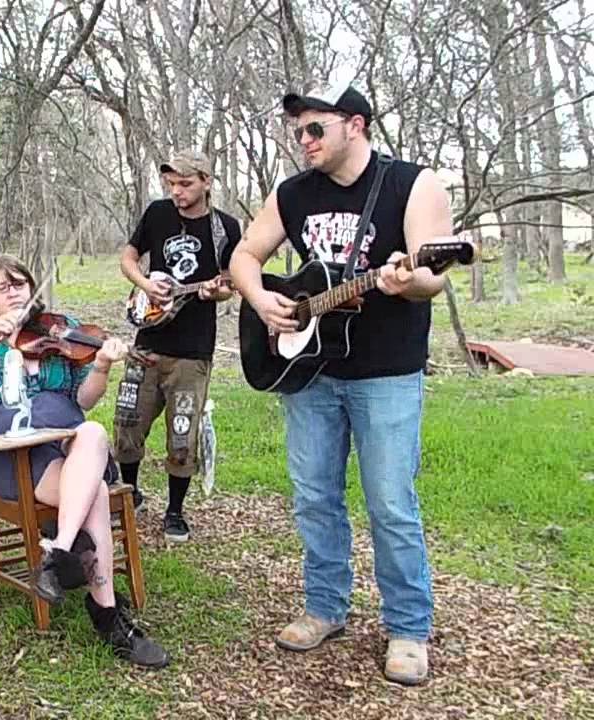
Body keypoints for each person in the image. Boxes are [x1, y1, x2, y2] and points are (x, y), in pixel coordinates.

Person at [228, 84, 450, 685]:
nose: (303, 141)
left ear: (354, 124)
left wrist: (411, 281)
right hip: (310, 372)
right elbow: (245, 256)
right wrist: (262, 300)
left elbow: (431, 277)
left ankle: (407, 628)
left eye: (314, 129)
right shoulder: (293, 193)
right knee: (314, 496)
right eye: (297, 131)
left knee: (390, 503)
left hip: (386, 372)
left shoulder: (413, 183)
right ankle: (325, 607)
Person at [0, 254, 169, 668]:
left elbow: (83, 401)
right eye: (1, 287)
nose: (13, 292)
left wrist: (101, 365)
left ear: (31, 288)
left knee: (94, 432)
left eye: (19, 283)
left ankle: (60, 550)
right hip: (16, 462)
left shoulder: (58, 336)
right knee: (95, 491)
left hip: (68, 449)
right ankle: (108, 615)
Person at [114, 150, 239, 541]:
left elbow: (230, 283)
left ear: (205, 181)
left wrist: (211, 293)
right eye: (171, 184)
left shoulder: (225, 228)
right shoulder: (157, 213)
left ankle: (175, 512)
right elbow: (129, 256)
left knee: (182, 434)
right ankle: (130, 494)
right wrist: (145, 283)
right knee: (127, 423)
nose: (177, 192)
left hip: (192, 349)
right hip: (147, 339)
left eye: (185, 184)